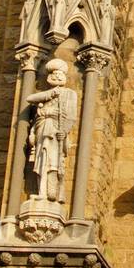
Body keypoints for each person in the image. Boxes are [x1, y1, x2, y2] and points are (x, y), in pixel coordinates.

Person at [26, 58, 78, 204]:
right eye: (53, 74)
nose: (56, 77)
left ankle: (52, 191)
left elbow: (71, 116)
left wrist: (65, 130)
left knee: (54, 162)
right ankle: (41, 192)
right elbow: (30, 98)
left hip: (56, 132)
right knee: (41, 160)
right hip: (43, 130)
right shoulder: (48, 94)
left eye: (59, 74)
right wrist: (52, 94)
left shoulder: (69, 94)